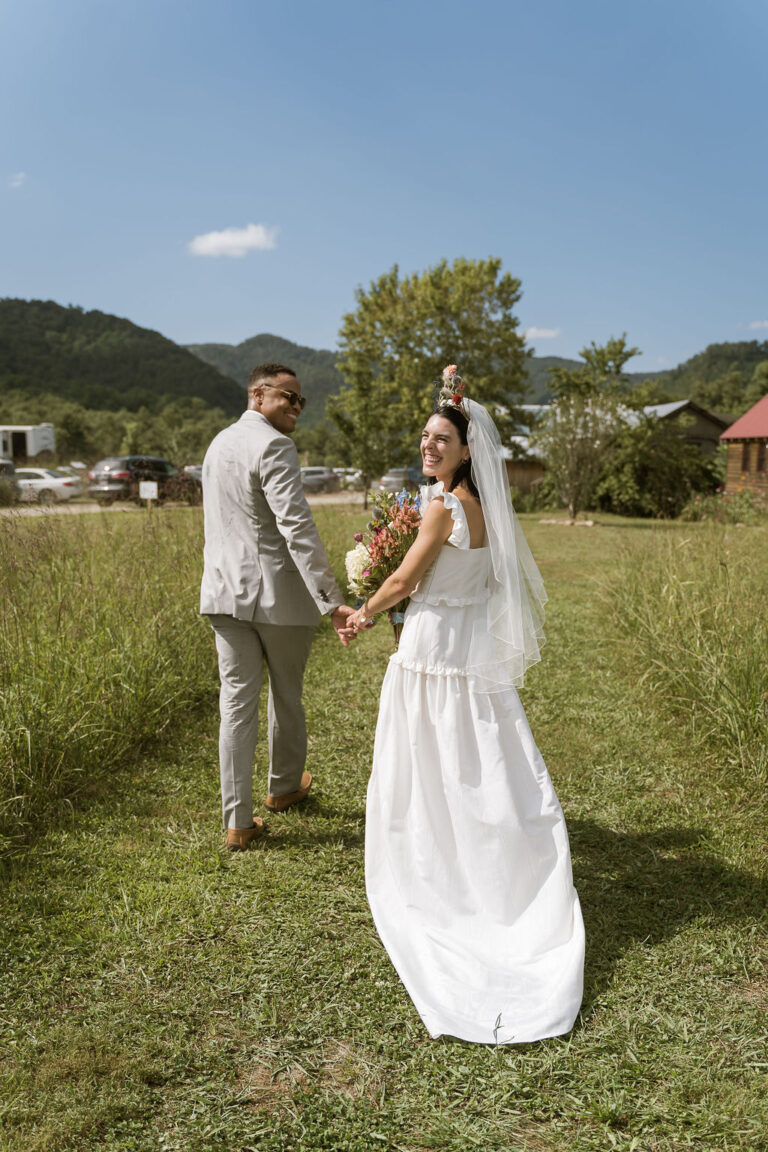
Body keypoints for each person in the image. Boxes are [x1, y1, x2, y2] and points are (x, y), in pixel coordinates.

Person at [347, 367, 584, 1044]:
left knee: (430, 761)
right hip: (463, 652)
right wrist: (449, 387)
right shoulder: (477, 511)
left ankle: (437, 868)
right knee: (473, 758)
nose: (429, 446)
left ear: (466, 450)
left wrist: (362, 612)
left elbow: (405, 577)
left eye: (441, 439)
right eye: (424, 437)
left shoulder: (442, 507)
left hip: (431, 652)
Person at [200, 363, 356, 852]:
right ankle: (284, 788)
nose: (295, 406)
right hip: (277, 597)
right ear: (257, 394)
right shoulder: (275, 445)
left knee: (236, 706)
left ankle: (238, 822)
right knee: (286, 696)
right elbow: (298, 528)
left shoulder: (217, 445)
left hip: (224, 594)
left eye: (299, 400)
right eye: (287, 396)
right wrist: (331, 601)